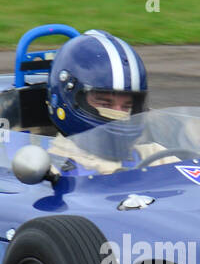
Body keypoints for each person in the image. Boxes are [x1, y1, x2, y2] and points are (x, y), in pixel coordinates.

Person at [45, 29, 165, 173]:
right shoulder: (47, 170)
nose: (118, 114)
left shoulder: (154, 155)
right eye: (105, 104)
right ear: (67, 99)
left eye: (128, 106)